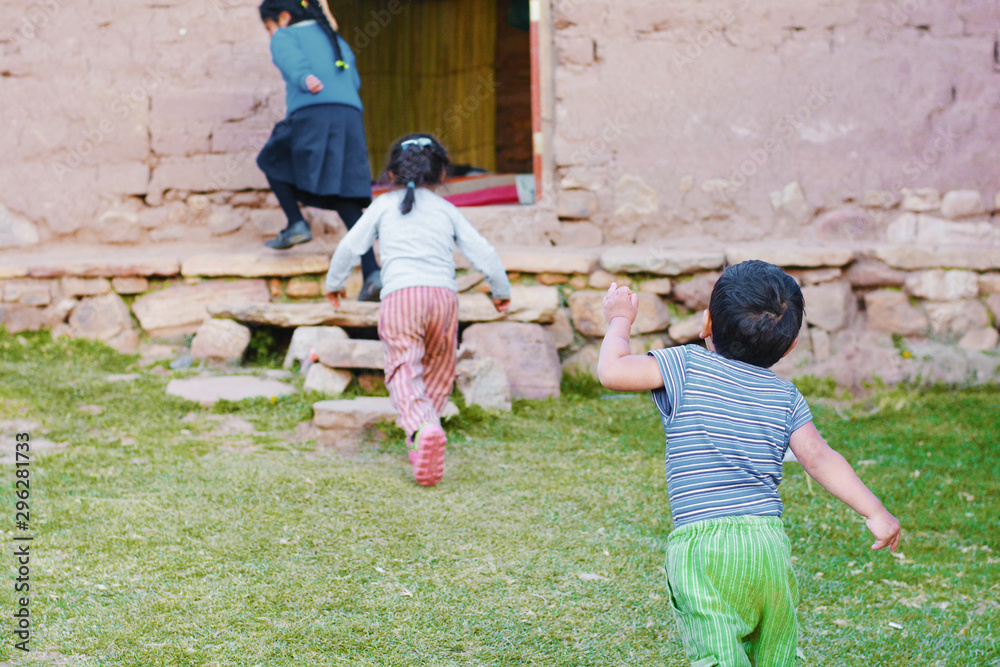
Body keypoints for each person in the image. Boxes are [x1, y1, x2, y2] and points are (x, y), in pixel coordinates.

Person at [597, 260, 901, 666]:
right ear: (790, 346)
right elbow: (819, 457)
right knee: (775, 652)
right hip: (767, 546)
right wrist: (874, 511)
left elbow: (613, 371)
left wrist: (620, 320)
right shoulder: (786, 397)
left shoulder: (686, 365)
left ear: (707, 323)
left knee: (718, 655)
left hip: (703, 548)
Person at [324, 134, 511, 487]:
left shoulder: (382, 206)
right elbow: (484, 253)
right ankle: (424, 434)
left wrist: (335, 284)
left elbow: (350, 247)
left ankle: (422, 428)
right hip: (443, 298)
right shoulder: (446, 209)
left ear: (391, 174)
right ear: (442, 173)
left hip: (400, 299)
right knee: (440, 368)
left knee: (403, 369)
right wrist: (501, 292)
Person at [256, 0, 381, 301]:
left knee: (271, 158)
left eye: (269, 27)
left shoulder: (285, 36)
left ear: (282, 17)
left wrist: (304, 77)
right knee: (345, 196)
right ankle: (372, 273)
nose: (271, 34)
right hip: (349, 117)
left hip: (314, 109)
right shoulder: (333, 38)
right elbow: (354, 78)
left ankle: (296, 222)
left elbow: (288, 58)